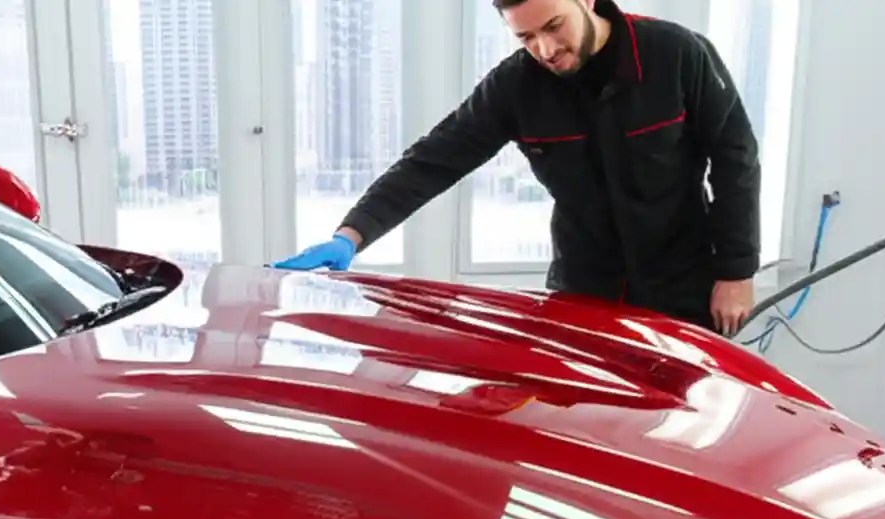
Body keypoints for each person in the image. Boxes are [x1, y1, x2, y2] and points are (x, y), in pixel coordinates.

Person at [272, 0, 762, 336]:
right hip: (583, 290)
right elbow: (432, 160)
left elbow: (735, 156)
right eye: (526, 36)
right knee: (586, 432)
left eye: (553, 27)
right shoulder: (517, 86)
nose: (545, 50)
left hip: (683, 285)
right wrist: (350, 235)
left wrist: (736, 272)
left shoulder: (676, 54)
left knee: (679, 433)